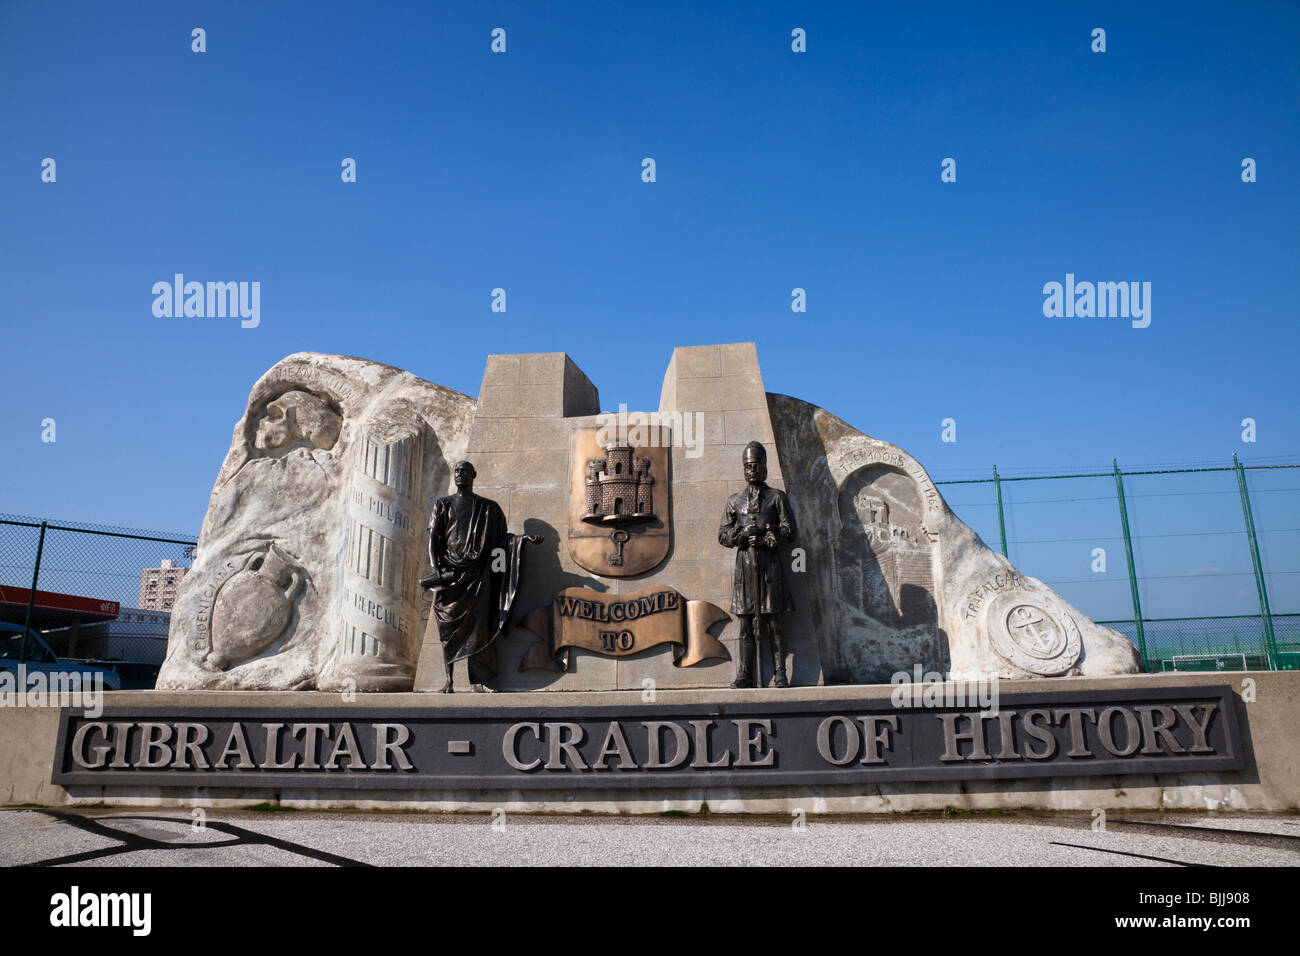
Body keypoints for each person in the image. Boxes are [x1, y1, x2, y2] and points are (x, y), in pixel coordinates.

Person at [423, 461, 540, 692]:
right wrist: (435, 567)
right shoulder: (442, 504)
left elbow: (500, 544)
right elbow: (433, 539)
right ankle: (449, 681)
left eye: (464, 471)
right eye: (456, 471)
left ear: (474, 475)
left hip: (479, 577)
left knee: (480, 628)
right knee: (447, 630)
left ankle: (479, 680)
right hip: (451, 576)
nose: (460, 475)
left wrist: (520, 543)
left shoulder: (489, 509)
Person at [718, 441, 798, 688]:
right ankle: (744, 673)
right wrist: (741, 535)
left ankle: (780, 672)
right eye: (747, 466)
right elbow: (723, 534)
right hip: (745, 566)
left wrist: (766, 538)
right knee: (745, 623)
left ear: (764, 467)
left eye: (756, 465)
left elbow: (790, 531)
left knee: (774, 621)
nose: (752, 470)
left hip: (769, 567)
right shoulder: (735, 501)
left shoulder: (777, 498)